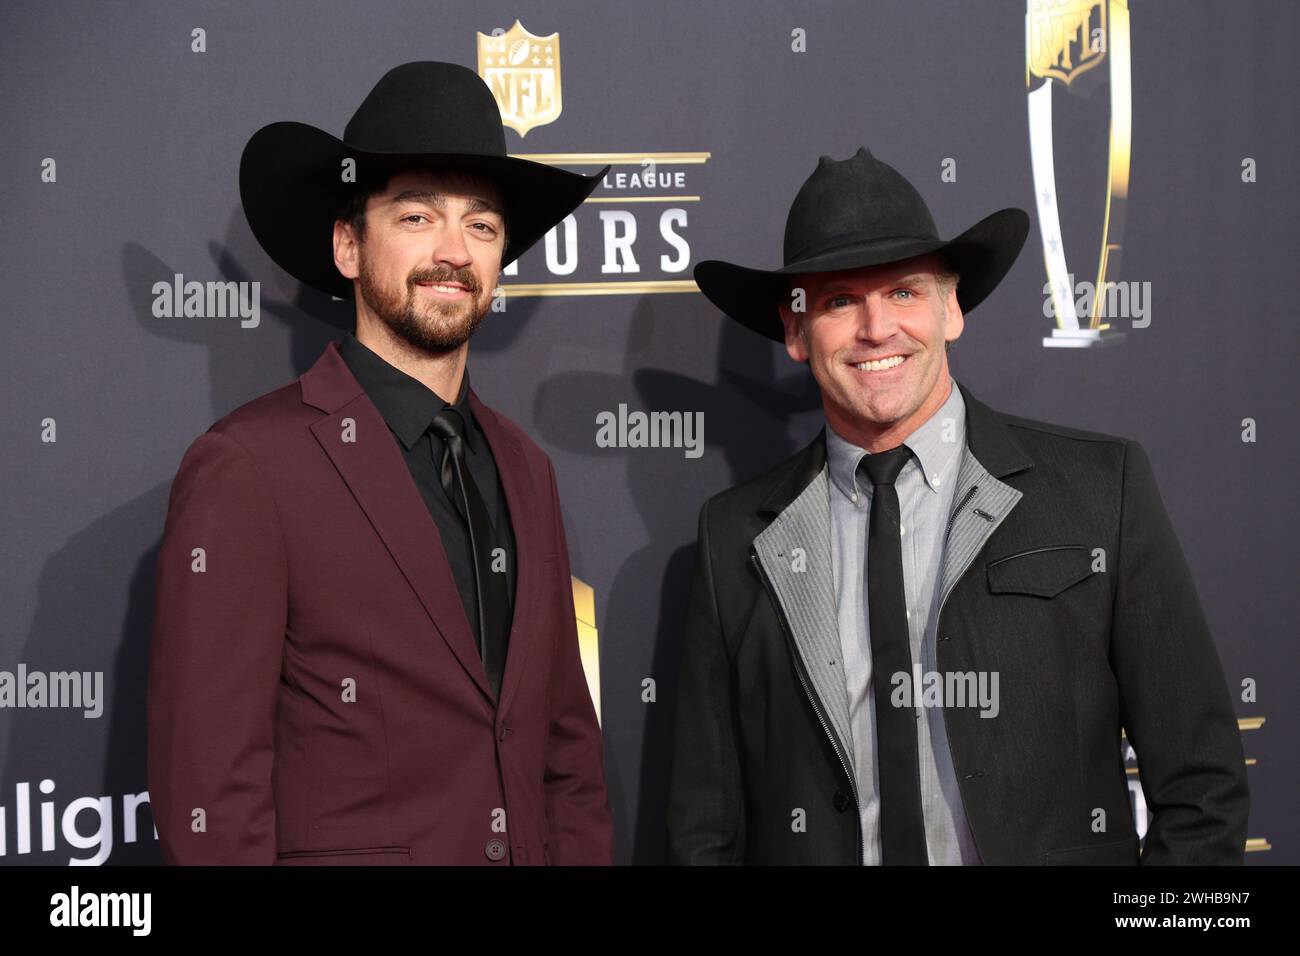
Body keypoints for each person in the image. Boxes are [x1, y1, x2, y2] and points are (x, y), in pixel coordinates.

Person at [667, 146, 1248, 865]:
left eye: (905, 292)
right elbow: (705, 830)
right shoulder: (734, 538)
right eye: (840, 301)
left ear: (952, 309)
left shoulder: (1102, 489)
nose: (877, 328)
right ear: (795, 332)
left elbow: (1201, 786)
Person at [148, 61, 614, 865]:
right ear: (348, 246)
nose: (451, 251)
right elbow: (211, 794)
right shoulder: (247, 468)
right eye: (416, 216)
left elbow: (564, 749)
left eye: (481, 225)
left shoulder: (526, 468)